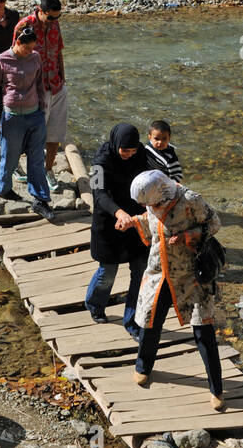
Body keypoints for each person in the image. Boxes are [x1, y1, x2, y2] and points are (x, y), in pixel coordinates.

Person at [129, 170, 224, 411]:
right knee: (151, 321)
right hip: (159, 271)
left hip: (191, 274)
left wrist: (188, 236)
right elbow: (152, 226)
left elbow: (214, 223)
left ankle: (217, 389)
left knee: (203, 330)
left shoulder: (191, 200)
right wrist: (134, 222)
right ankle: (143, 367)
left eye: (152, 203)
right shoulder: (153, 203)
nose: (152, 207)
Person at [85, 124, 151, 334]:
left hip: (135, 222)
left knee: (139, 271)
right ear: (116, 144)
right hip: (108, 223)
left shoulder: (140, 154)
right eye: (125, 151)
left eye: (133, 151)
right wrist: (118, 213)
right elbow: (99, 194)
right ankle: (95, 305)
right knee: (108, 273)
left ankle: (132, 321)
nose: (130, 155)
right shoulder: (99, 162)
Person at [0, 25, 54, 219]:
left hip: (35, 116)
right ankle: (3, 188)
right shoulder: (1, 60)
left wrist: (43, 109)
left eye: (33, 47)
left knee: (36, 159)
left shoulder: (35, 57)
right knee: (10, 157)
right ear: (17, 42)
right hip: (12, 116)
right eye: (27, 48)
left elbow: (40, 84)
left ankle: (40, 199)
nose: (30, 51)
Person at [14, 0, 67, 192]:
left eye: (57, 17)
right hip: (35, 88)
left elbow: (59, 51)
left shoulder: (55, 25)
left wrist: (63, 77)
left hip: (57, 85)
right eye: (50, 17)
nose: (53, 21)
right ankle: (17, 164)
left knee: (56, 130)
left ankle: (48, 169)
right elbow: (16, 56)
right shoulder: (25, 25)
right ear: (40, 11)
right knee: (32, 133)